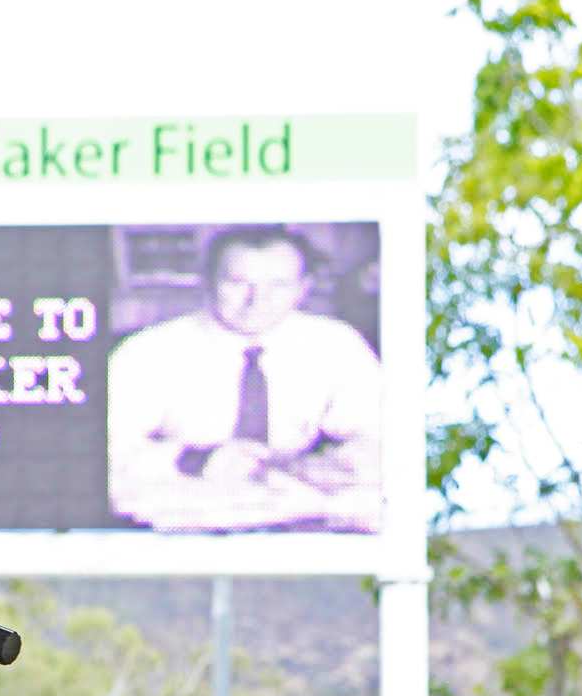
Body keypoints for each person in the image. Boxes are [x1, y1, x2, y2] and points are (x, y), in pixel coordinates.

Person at [106, 226, 383, 532]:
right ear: (208, 281)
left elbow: (382, 436)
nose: (257, 301)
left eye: (278, 286)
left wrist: (336, 462)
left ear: (303, 287)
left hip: (301, 521)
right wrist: (194, 460)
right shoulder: (147, 352)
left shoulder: (336, 344)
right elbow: (100, 453)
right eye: (238, 283)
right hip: (182, 523)